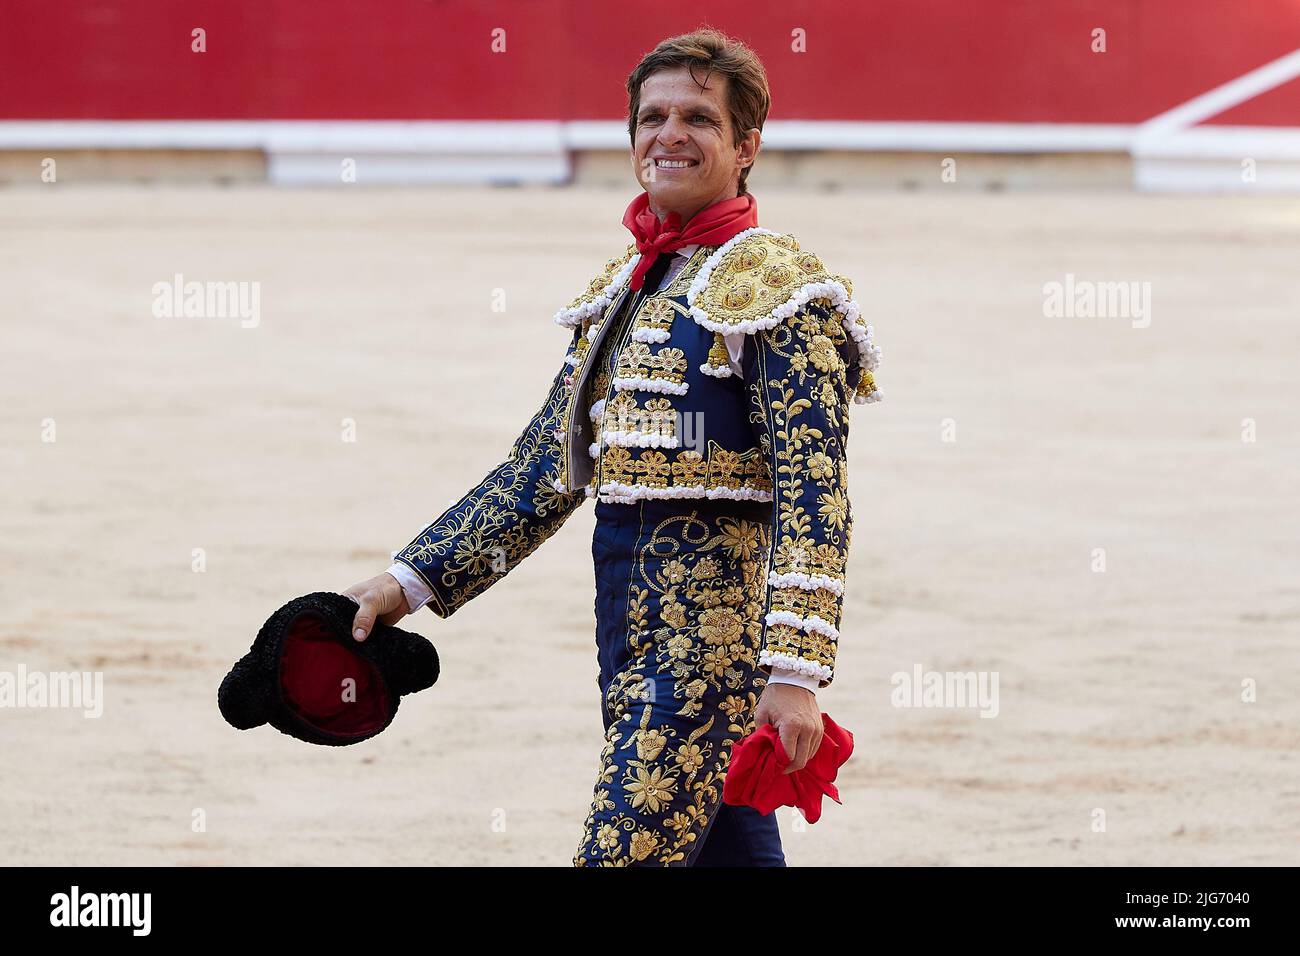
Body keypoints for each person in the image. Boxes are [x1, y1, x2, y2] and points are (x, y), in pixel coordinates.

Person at [343, 27, 880, 866]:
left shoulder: (778, 290)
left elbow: (818, 499)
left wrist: (797, 674)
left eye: (698, 117)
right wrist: (406, 581)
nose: (668, 134)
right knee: (725, 849)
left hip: (711, 647)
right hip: (624, 624)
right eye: (652, 116)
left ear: (746, 147)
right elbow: (542, 470)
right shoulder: (627, 285)